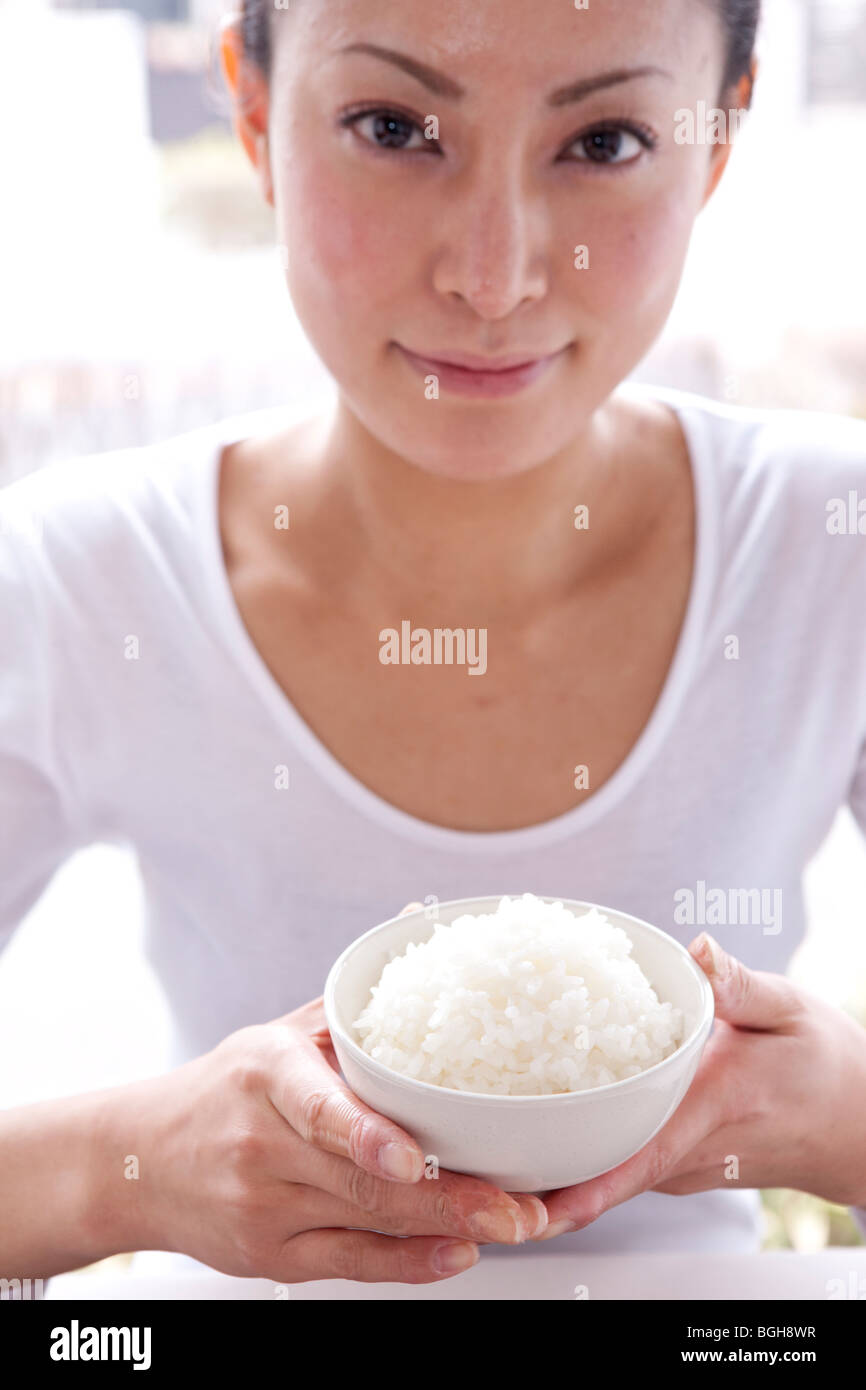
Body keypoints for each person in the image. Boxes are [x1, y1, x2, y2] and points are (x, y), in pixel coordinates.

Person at [2, 0, 865, 1289]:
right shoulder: (75, 579)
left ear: (718, 142)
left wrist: (839, 1113)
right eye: (394, 126)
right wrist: (131, 1162)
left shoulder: (828, 542)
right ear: (252, 110)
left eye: (609, 140)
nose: (495, 272)